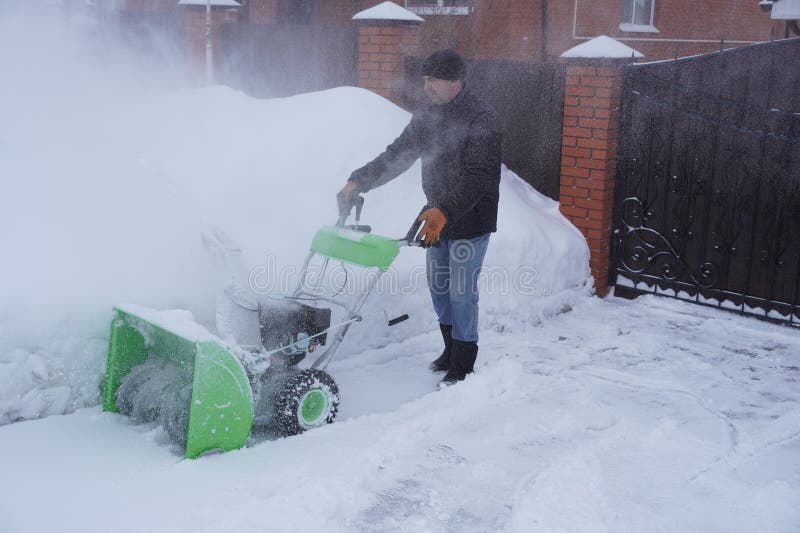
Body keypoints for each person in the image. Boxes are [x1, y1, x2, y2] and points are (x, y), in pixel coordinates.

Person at [339, 49, 501, 386]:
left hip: (469, 219)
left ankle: (464, 362)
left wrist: (445, 210)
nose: (426, 86)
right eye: (424, 79)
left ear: (454, 81)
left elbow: (479, 175)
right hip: (435, 217)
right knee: (440, 289)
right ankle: (449, 348)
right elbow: (398, 154)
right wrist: (359, 180)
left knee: (461, 292)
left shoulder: (481, 118)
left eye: (433, 79)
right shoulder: (427, 116)